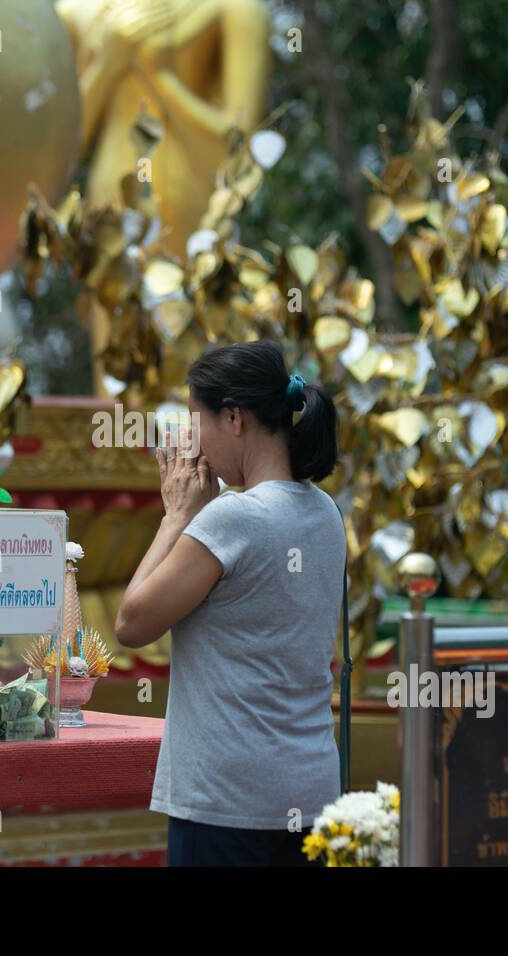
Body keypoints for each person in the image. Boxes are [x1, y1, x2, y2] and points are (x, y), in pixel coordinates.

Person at [115, 340, 346, 866]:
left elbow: (131, 623)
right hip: (310, 793)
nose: (192, 440)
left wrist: (175, 517)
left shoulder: (232, 518)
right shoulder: (327, 512)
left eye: (197, 419)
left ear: (235, 418)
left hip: (227, 803)